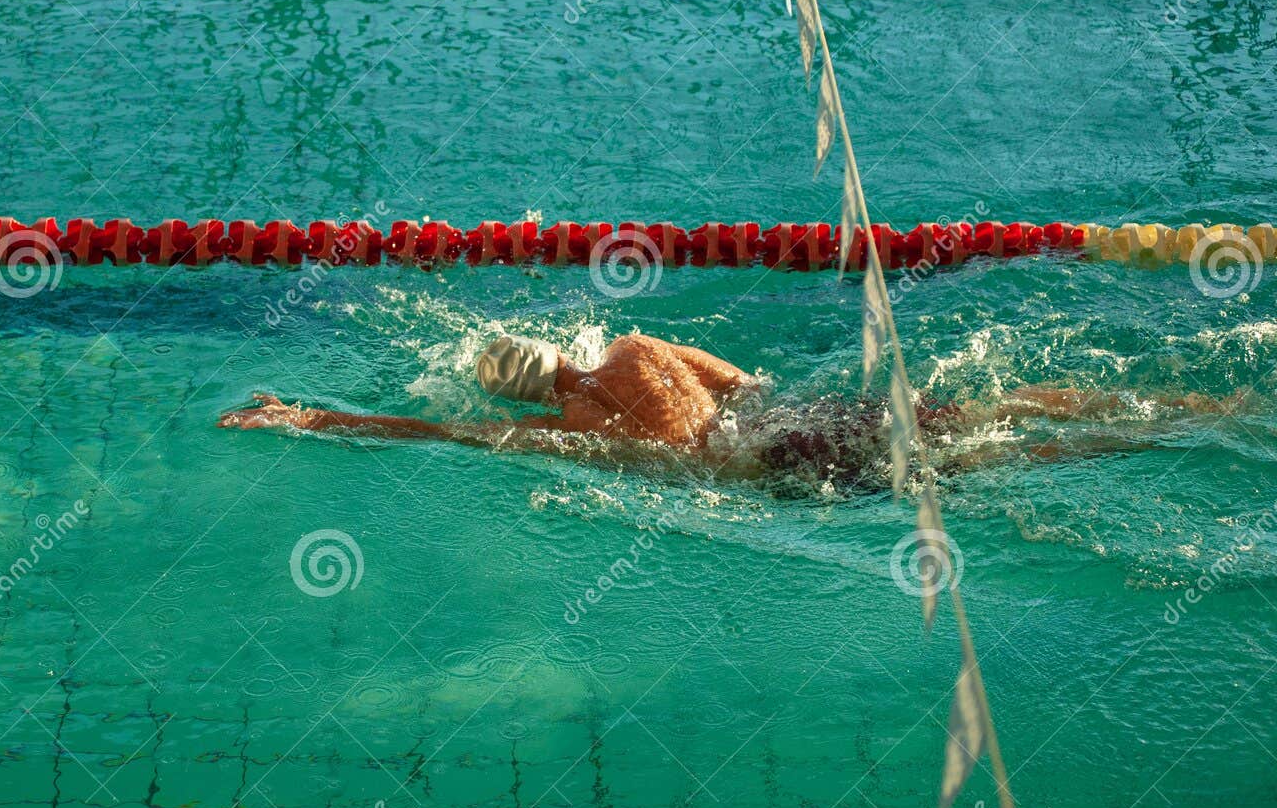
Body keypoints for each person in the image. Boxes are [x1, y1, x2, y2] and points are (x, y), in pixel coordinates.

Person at [218, 333, 1238, 488]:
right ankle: (1212, 405)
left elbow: (440, 432)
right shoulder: (638, 348)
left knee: (1007, 460)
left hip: (782, 470)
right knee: (992, 404)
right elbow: (751, 383)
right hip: (819, 410)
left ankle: (1171, 430)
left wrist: (303, 417)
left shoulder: (571, 435)